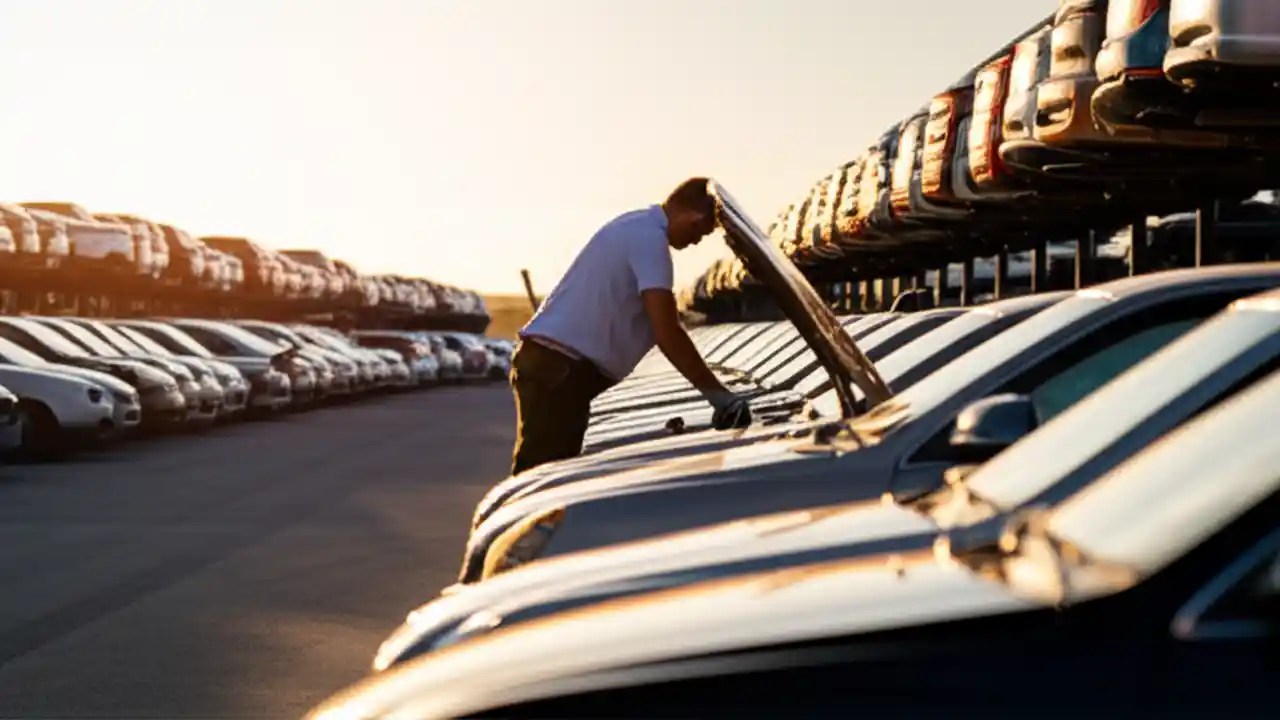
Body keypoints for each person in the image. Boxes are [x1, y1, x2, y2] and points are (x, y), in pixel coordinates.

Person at [508, 177, 752, 475]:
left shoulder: (636, 227)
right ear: (693, 216)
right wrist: (719, 396)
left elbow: (655, 318)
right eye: (701, 231)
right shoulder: (650, 241)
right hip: (558, 370)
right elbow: (668, 332)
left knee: (543, 476)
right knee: (541, 481)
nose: (697, 241)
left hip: (555, 367)